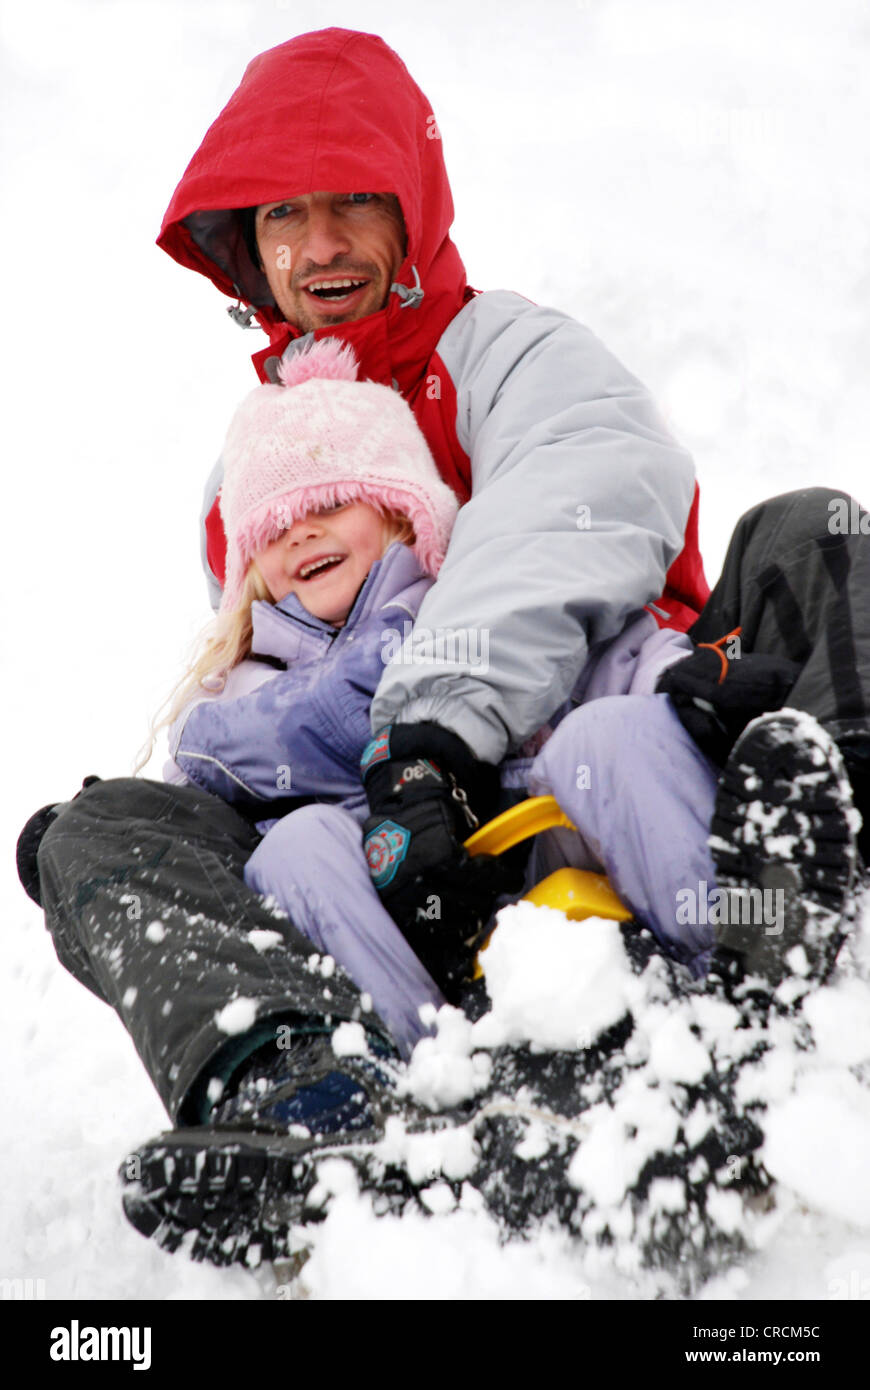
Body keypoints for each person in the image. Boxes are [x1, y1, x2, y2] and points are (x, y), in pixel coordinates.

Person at [16, 27, 870, 1271]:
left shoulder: (507, 353)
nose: (320, 246)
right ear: (245, 250)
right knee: (116, 831)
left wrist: (434, 735)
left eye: (354, 200)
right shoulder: (243, 472)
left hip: (613, 777)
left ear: (410, 204)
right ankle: (332, 1104)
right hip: (409, 869)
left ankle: (802, 914)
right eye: (284, 217)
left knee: (815, 536)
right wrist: (187, 821)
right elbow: (272, 698)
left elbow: (587, 488)